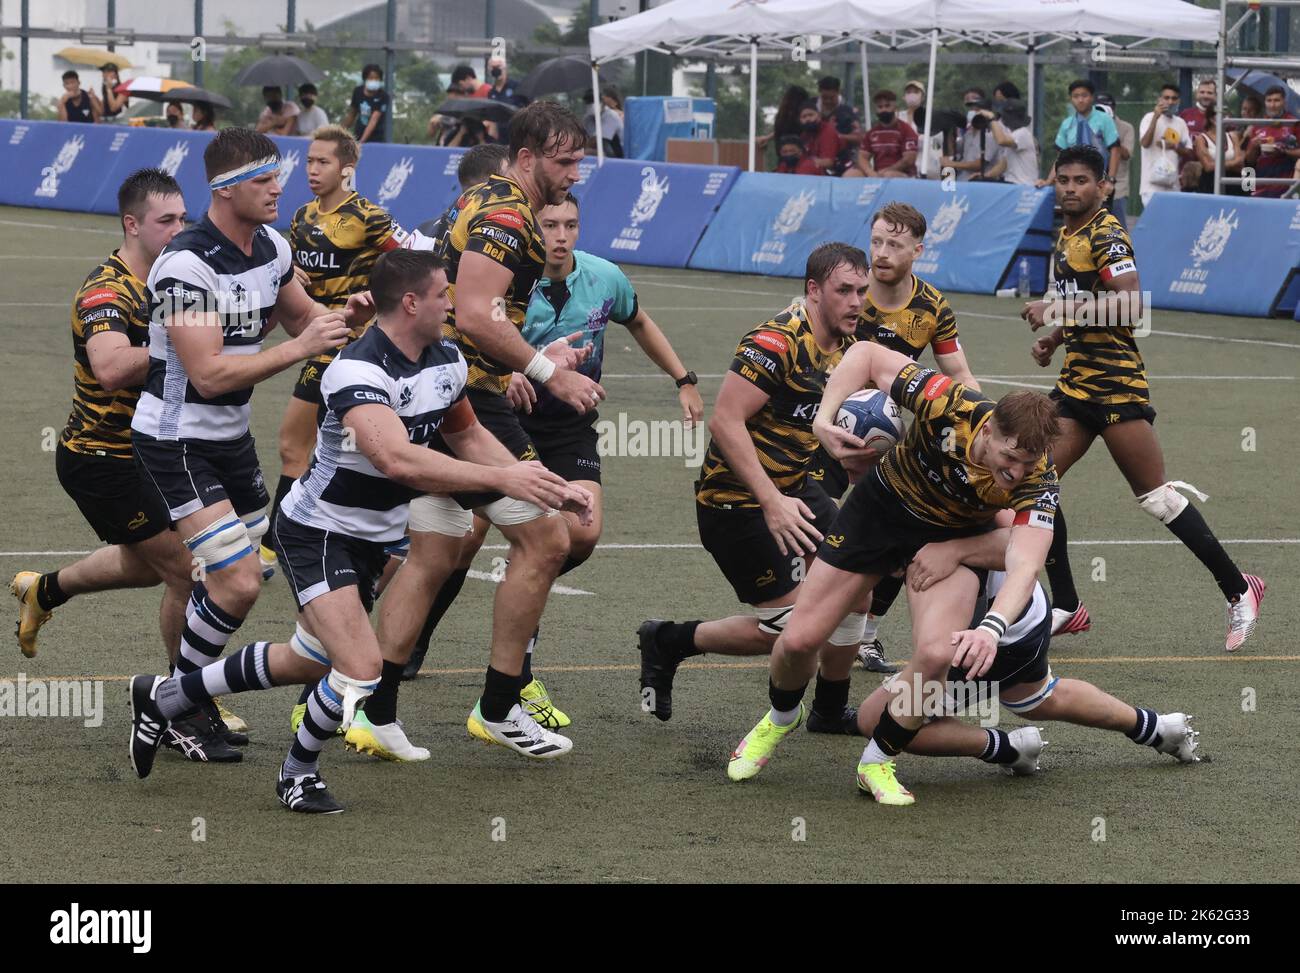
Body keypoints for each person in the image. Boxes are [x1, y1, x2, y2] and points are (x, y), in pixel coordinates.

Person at [127, 249, 590, 811]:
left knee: (309, 659)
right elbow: (395, 459)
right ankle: (297, 773)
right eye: (441, 295)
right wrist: (505, 479)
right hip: (317, 531)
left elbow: (466, 436)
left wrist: (543, 483)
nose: (450, 305)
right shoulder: (356, 369)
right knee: (360, 667)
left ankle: (164, 696)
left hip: (378, 539)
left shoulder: (447, 358)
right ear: (411, 303)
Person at [354, 192, 700, 752]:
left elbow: (463, 420)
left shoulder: (441, 358)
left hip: (511, 419)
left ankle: (383, 704)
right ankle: (488, 700)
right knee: (490, 546)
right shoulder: (402, 354)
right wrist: (532, 377)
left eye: (570, 224)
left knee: (468, 549)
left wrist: (682, 379)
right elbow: (409, 447)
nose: (560, 234)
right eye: (443, 296)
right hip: (487, 421)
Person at [725, 340, 1063, 802]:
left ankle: (876, 762)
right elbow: (866, 354)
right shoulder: (948, 402)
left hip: (948, 539)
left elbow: (1026, 561)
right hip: (880, 513)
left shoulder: (1039, 476)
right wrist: (823, 419)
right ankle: (782, 717)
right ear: (988, 430)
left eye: (1027, 464)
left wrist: (991, 628)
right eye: (1009, 458)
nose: (1017, 473)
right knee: (800, 640)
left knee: (936, 655)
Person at [128, 128, 370, 761]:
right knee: (236, 582)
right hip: (175, 440)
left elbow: (303, 317)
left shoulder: (272, 246)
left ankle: (171, 697)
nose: (278, 189)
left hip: (231, 439)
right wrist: (301, 348)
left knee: (242, 572)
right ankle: (178, 704)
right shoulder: (184, 264)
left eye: (276, 177)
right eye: (263, 180)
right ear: (225, 189)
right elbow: (208, 374)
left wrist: (353, 318)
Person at [381, 102, 605, 756]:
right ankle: (500, 705)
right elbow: (478, 314)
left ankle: (371, 704)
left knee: (433, 552)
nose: (575, 174)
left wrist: (523, 358)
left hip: (444, 389)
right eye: (565, 161)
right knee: (548, 538)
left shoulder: (487, 198)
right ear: (527, 158)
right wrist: (546, 371)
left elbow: (469, 309)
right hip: (464, 400)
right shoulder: (508, 214)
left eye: (580, 160)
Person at [1023, 145, 1265, 651]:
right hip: (1076, 383)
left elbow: (1130, 303)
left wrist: (1054, 310)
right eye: (1063, 180)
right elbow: (1086, 301)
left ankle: (1239, 588)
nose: (1070, 188)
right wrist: (1056, 337)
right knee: (1035, 481)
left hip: (1115, 386)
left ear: (1103, 186)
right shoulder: (1069, 232)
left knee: (1156, 497)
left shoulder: (1106, 232)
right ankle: (1067, 604)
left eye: (1081, 180)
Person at [638, 243, 867, 730]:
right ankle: (669, 640)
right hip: (735, 503)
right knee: (788, 630)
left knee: (857, 587)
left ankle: (828, 711)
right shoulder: (775, 341)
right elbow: (725, 420)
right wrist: (771, 502)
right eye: (844, 290)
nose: (856, 302)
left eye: (861, 291)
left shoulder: (850, 347)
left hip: (795, 488)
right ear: (813, 290)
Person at [848, 518, 1200, 804]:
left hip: (995, 633)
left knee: (877, 717)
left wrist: (956, 551)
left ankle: (1011, 748)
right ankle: (1159, 728)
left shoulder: (958, 482)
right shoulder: (910, 482)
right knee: (1039, 697)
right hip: (1023, 615)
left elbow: (1023, 541)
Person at [12, 169, 191, 669]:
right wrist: (186, 344)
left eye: (183, 218)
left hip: (154, 452)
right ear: (132, 224)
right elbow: (110, 368)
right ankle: (185, 697)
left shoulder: (174, 279)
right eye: (166, 220)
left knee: (149, 566)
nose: (179, 230)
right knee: (186, 571)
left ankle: (44, 591)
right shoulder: (106, 291)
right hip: (102, 457)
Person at [808, 203, 981, 674]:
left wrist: (981, 417)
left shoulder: (932, 306)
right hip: (825, 429)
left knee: (900, 531)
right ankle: (805, 620)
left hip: (885, 439)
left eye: (894, 244)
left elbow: (958, 372)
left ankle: (865, 637)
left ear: (918, 250)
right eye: (876, 241)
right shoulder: (849, 292)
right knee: (818, 530)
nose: (881, 253)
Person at [261, 124, 414, 577]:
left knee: (300, 445)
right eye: (309, 161)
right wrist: (290, 272)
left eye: (322, 162)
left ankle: (273, 548)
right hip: (317, 342)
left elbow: (410, 263)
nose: (312, 169)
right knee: (318, 449)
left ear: (346, 169)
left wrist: (378, 303)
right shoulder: (301, 217)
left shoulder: (369, 216)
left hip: (351, 350)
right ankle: (381, 537)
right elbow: (290, 276)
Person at [416, 143, 509, 247]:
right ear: (484, 186)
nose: (515, 186)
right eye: (509, 178)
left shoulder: (422, 232)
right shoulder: (484, 239)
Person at [1040, 79, 1119, 187]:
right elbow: (1060, 158)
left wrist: (1110, 180)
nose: (1080, 100)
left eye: (1084, 95)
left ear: (1092, 97)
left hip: (1100, 183)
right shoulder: (1067, 124)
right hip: (1073, 185)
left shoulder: (1105, 120)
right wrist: (1048, 181)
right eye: (1076, 96)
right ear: (1071, 99)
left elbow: (1115, 150)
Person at [1138, 84, 1193, 206]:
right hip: (1151, 187)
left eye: (1174, 98)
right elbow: (1145, 143)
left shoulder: (1180, 123)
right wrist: (1155, 117)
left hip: (1173, 186)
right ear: (1160, 99)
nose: (1170, 102)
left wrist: (1174, 146)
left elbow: (1189, 151)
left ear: (1178, 101)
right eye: (1166, 98)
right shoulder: (1149, 118)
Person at [1242, 85, 1300, 198]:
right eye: (1269, 100)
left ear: (1284, 102)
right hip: (1261, 185)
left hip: (1286, 186)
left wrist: (1284, 151)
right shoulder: (1258, 124)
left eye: (1276, 100)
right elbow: (1248, 161)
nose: (1272, 105)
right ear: (1265, 102)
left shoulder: (1294, 122)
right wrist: (1254, 146)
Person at [846, 90, 918, 178]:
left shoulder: (906, 130)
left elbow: (909, 159)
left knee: (888, 175)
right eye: (880, 107)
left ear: (895, 107)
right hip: (878, 175)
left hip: (904, 176)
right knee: (851, 174)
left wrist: (886, 171)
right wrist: (869, 172)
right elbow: (862, 156)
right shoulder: (872, 133)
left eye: (887, 106)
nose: (884, 110)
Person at [945, 90, 1007, 182]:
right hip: (962, 180)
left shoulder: (990, 134)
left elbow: (979, 164)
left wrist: (952, 164)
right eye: (971, 108)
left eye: (976, 109)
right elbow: (954, 150)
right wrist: (949, 131)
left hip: (979, 182)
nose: (973, 112)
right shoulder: (969, 134)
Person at [1094, 94, 1132, 225]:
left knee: (1117, 227)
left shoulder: (1126, 127)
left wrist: (1111, 134)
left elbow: (1126, 154)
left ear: (1113, 108)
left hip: (1118, 187)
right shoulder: (1090, 125)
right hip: (1094, 185)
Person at [988, 98, 1040, 187]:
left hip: (1023, 185)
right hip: (1013, 185)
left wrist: (992, 118)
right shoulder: (1014, 135)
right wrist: (984, 177)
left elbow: (1001, 140)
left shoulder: (1022, 133)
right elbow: (1003, 165)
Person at [816, 76, 862, 176]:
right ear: (819, 92)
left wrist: (837, 136)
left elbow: (859, 138)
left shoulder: (848, 112)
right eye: (824, 98)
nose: (828, 101)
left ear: (838, 92)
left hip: (843, 162)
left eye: (832, 98)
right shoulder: (811, 109)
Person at [1179, 78, 1217, 188]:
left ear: (1215, 96)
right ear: (1196, 94)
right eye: (1202, 92)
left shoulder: (1223, 118)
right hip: (1187, 175)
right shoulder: (1185, 115)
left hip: (1212, 175)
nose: (1205, 95)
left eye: (1209, 93)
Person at [757, 84, 810, 159]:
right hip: (796, 157)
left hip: (783, 156)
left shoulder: (782, 116)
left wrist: (767, 137)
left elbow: (781, 131)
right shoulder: (798, 118)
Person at [1192, 105, 1236, 194]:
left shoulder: (1233, 136)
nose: (1226, 118)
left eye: (1227, 115)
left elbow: (1240, 164)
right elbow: (1208, 167)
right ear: (1212, 119)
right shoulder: (1201, 139)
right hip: (1209, 185)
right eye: (1223, 115)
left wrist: (1215, 164)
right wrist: (1232, 163)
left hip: (1232, 184)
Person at [1223, 94, 1262, 195]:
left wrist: (1249, 136)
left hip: (1251, 169)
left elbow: (1248, 156)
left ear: (1257, 113)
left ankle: (1248, 197)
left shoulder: (1260, 127)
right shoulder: (1240, 127)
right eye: (1244, 109)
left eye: (1251, 110)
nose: (1247, 112)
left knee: (1247, 194)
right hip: (1236, 169)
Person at [791, 99, 841, 176]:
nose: (808, 119)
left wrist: (809, 162)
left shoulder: (828, 130)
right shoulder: (804, 136)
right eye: (804, 117)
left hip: (837, 170)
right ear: (800, 120)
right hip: (813, 171)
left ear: (819, 116)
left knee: (808, 166)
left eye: (811, 115)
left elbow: (829, 162)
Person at [344, 64, 389, 144]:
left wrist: (362, 142)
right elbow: (352, 114)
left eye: (376, 78)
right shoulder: (358, 91)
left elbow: (373, 120)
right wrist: (340, 132)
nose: (374, 81)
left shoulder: (383, 96)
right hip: (358, 134)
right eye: (371, 78)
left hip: (376, 140)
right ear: (365, 79)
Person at [582, 87, 624, 158]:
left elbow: (597, 140)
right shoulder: (587, 119)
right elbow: (585, 138)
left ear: (603, 103)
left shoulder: (611, 116)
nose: (591, 105)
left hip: (616, 154)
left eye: (593, 101)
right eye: (588, 102)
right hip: (596, 151)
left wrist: (581, 150)